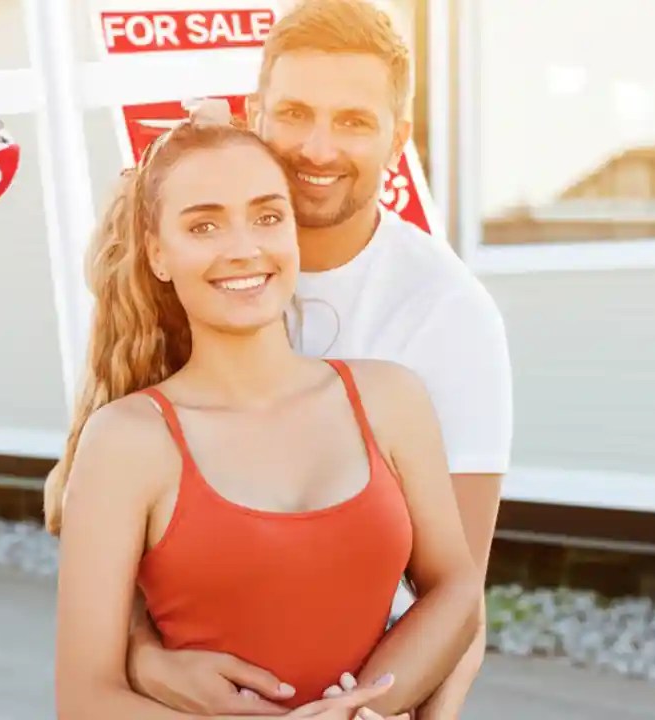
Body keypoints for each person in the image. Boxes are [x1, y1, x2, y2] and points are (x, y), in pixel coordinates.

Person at [121, 1, 514, 718]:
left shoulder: (448, 317)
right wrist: (148, 662)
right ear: (254, 113)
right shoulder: (187, 276)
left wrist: (363, 710)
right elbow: (114, 549)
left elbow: (457, 599)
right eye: (296, 113)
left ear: (398, 140)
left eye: (354, 122)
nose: (320, 149)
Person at [47, 107, 481, 719]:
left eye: (268, 216)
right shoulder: (127, 440)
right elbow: (85, 699)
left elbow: (457, 589)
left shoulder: (391, 400)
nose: (244, 248)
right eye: (204, 227)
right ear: (158, 254)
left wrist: (363, 705)